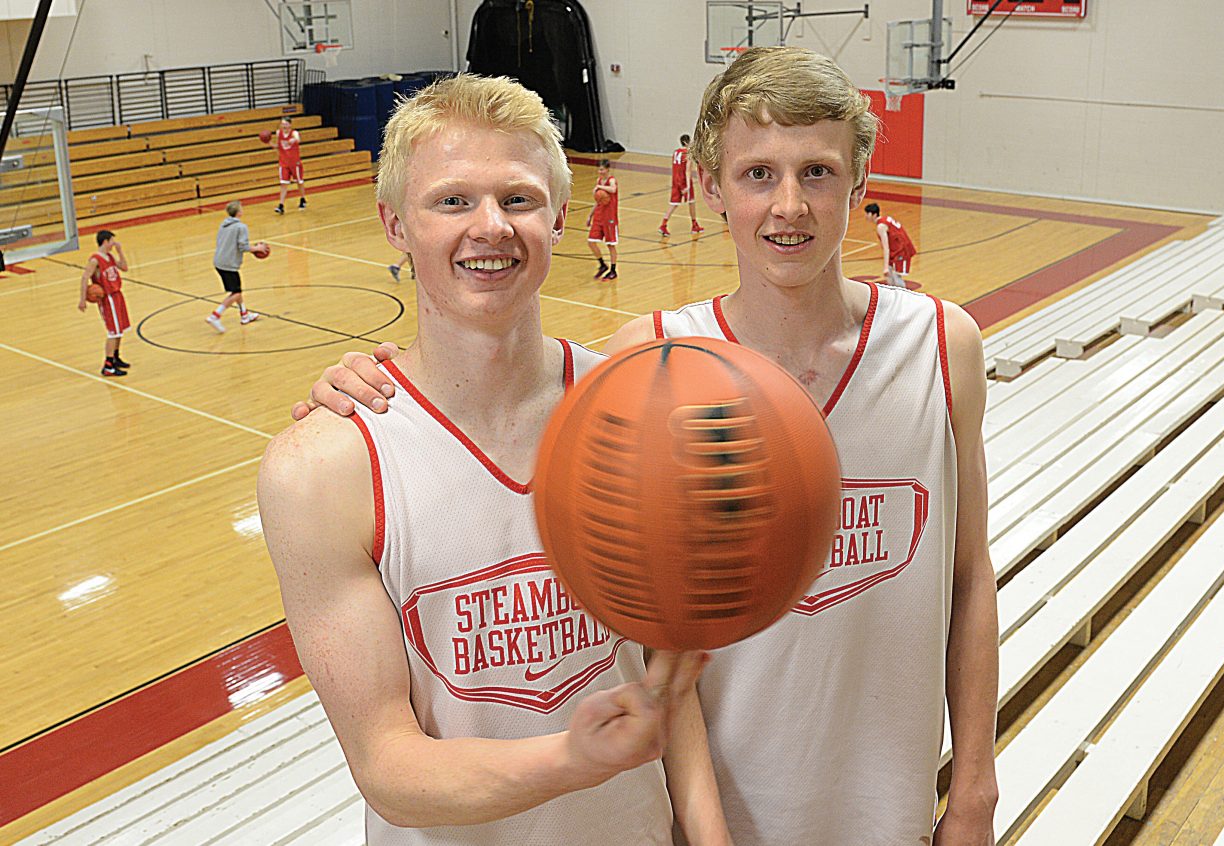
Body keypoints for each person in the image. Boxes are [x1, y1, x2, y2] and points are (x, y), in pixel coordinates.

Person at [293, 47, 999, 846]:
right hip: (720, 812)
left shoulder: (942, 346)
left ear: (860, 182)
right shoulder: (648, 368)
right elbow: (662, 634)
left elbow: (970, 577)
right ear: (711, 186)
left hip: (885, 802)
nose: (789, 205)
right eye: (758, 174)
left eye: (820, 173)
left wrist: (974, 790)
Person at [257, 74, 727, 846]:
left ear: (561, 216)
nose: (491, 228)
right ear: (394, 224)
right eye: (451, 201)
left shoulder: (633, 406)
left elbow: (669, 683)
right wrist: (575, 758)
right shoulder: (323, 469)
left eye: (517, 199)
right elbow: (387, 768)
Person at [77, 229, 131, 377]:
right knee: (113, 332)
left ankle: (115, 358)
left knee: (120, 329)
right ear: (105, 241)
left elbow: (125, 268)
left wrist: (120, 252)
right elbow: (84, 278)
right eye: (112, 241)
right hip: (108, 299)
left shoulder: (110, 256)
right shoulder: (95, 260)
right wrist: (82, 300)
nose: (114, 244)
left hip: (117, 295)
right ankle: (108, 366)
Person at [207, 201, 264, 333]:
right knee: (236, 293)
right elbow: (243, 247)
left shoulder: (223, 224)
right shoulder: (241, 227)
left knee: (236, 290)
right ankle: (215, 315)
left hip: (218, 261)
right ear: (239, 212)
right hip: (229, 264)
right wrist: (257, 248)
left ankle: (244, 315)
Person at [659, 135, 704, 237]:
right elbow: (688, 171)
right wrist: (687, 185)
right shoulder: (687, 153)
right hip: (684, 181)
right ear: (687, 143)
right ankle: (694, 225)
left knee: (674, 203)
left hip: (675, 180)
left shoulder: (676, 152)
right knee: (691, 202)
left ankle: (663, 224)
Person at [864, 202, 917, 288]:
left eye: (867, 213)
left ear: (873, 214)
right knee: (890, 274)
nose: (866, 216)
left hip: (901, 250)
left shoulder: (881, 226)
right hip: (899, 248)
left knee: (896, 276)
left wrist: (885, 267)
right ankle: (894, 294)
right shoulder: (886, 219)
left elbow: (886, 248)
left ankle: (903, 295)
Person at [586, 159, 619, 280]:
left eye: (602, 169)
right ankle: (602, 265)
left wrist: (599, 187)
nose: (600, 172)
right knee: (591, 242)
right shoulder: (599, 181)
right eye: (599, 169)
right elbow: (598, 201)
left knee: (610, 245)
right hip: (599, 216)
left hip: (610, 217)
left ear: (607, 169)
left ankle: (613, 270)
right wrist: (590, 215)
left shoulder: (611, 180)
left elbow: (613, 189)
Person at [269, 117, 307, 214]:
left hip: (295, 162)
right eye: (282, 124)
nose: (284, 126)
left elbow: (298, 139)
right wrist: (270, 143)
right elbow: (279, 146)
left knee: (299, 182)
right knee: (283, 184)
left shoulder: (294, 133)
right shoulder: (278, 133)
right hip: (283, 162)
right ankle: (281, 205)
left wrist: (293, 140)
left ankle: (303, 199)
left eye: (286, 124)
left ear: (290, 124)